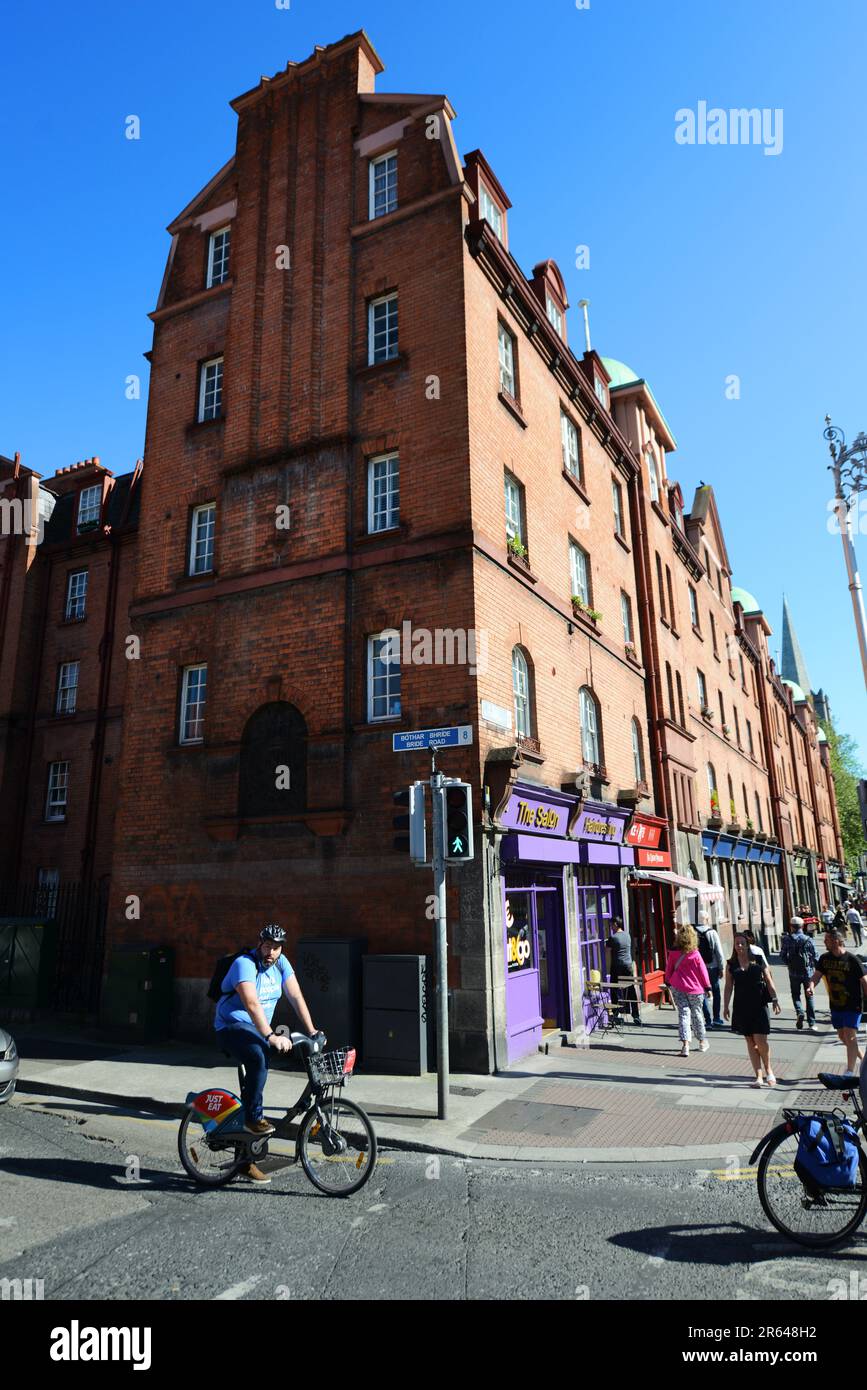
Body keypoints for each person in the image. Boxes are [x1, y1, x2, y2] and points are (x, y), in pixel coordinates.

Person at [214, 923, 318, 1184]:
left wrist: (312, 1030)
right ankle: (253, 1119)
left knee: (259, 1058)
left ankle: (244, 1160)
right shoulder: (244, 964)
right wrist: (270, 1035)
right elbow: (250, 1004)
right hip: (230, 1026)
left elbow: (295, 996)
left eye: (276, 947)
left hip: (255, 1030)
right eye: (267, 946)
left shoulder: (282, 964)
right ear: (259, 943)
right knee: (259, 1055)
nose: (271, 952)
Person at [723, 930, 782, 1086]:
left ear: (748, 944)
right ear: (734, 946)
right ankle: (758, 1075)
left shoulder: (757, 959)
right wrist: (725, 1006)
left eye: (742, 943)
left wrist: (775, 999)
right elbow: (728, 987)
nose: (740, 946)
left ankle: (769, 1070)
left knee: (761, 1041)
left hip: (759, 1004)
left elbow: (768, 980)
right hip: (741, 1006)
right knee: (750, 1041)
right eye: (737, 943)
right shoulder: (730, 964)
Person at [807, 929, 867, 1075]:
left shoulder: (852, 960)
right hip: (836, 1004)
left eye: (827, 939)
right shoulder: (824, 959)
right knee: (842, 1036)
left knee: (850, 1035)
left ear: (836, 941)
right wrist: (811, 986)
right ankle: (865, 1061)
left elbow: (865, 981)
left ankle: (850, 1071)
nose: (824, 942)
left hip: (853, 1004)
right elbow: (816, 976)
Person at [664, 925, 712, 1057]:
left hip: (678, 987)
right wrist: (707, 987)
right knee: (697, 1014)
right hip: (695, 989)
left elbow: (669, 969)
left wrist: (668, 981)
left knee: (683, 1014)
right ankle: (702, 1042)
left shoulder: (673, 953)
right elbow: (703, 972)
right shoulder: (695, 954)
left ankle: (685, 1045)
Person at [779, 916, 818, 1031]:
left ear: (791, 927)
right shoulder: (808, 939)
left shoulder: (786, 939)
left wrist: (789, 964)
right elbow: (815, 956)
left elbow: (782, 955)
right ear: (802, 926)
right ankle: (811, 1023)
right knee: (809, 996)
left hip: (793, 972)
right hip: (808, 972)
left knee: (795, 994)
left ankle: (800, 1012)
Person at [607, 916, 642, 1024]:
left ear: (616, 924)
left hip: (617, 966)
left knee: (614, 990)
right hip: (628, 965)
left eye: (612, 925)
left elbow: (607, 951)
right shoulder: (627, 935)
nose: (611, 927)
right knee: (631, 989)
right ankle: (635, 1015)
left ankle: (616, 1012)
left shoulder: (613, 938)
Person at [696, 919, 726, 1028]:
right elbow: (719, 951)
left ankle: (707, 1020)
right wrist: (722, 968)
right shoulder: (712, 933)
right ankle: (716, 1018)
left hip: (698, 968)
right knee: (716, 992)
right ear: (707, 920)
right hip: (712, 967)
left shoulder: (693, 932)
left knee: (702, 993)